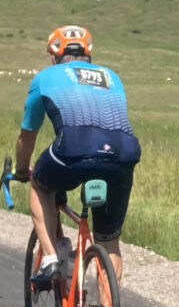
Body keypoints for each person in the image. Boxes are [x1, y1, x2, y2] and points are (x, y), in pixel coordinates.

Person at [12, 27, 142, 287]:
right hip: (123, 152)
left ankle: (50, 258)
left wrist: (21, 169)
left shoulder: (45, 77)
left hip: (75, 147)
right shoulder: (111, 76)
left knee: (40, 185)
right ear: (89, 55)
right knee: (108, 241)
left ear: (54, 56)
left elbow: (27, 136)